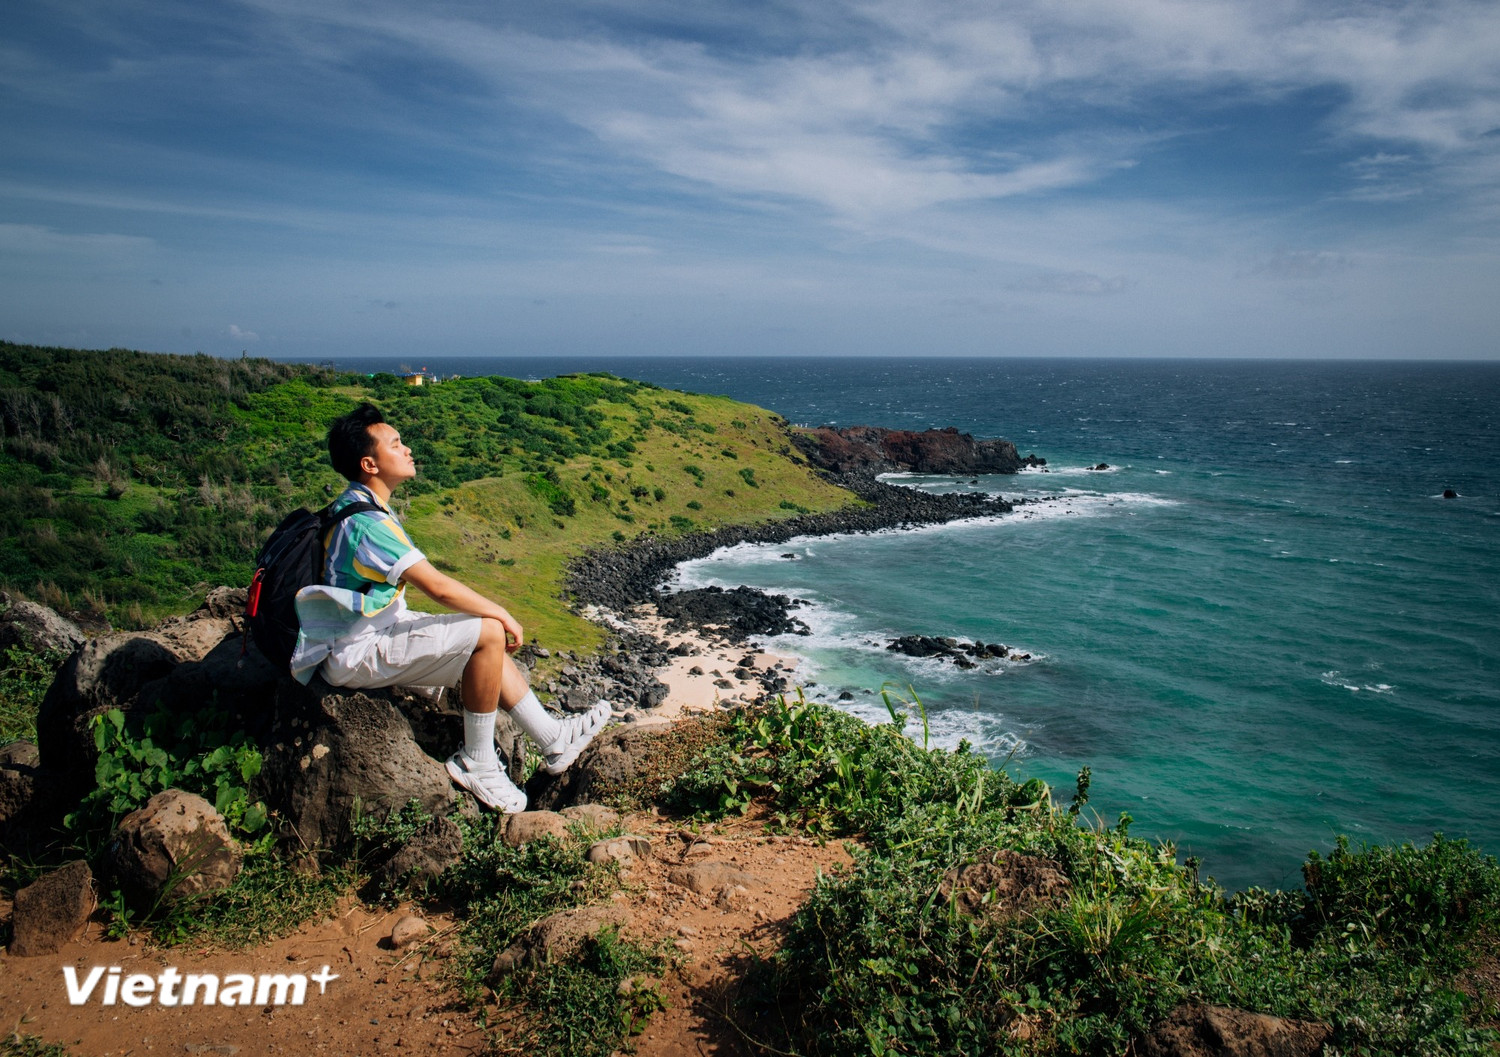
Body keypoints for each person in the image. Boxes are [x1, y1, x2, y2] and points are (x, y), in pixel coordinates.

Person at [288, 402, 609, 812]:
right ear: (369, 464)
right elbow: (437, 587)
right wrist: (502, 613)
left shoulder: (358, 504)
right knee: (488, 632)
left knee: (483, 642)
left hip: (367, 631)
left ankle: (553, 739)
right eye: (395, 444)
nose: (407, 449)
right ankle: (477, 762)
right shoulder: (368, 524)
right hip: (356, 649)